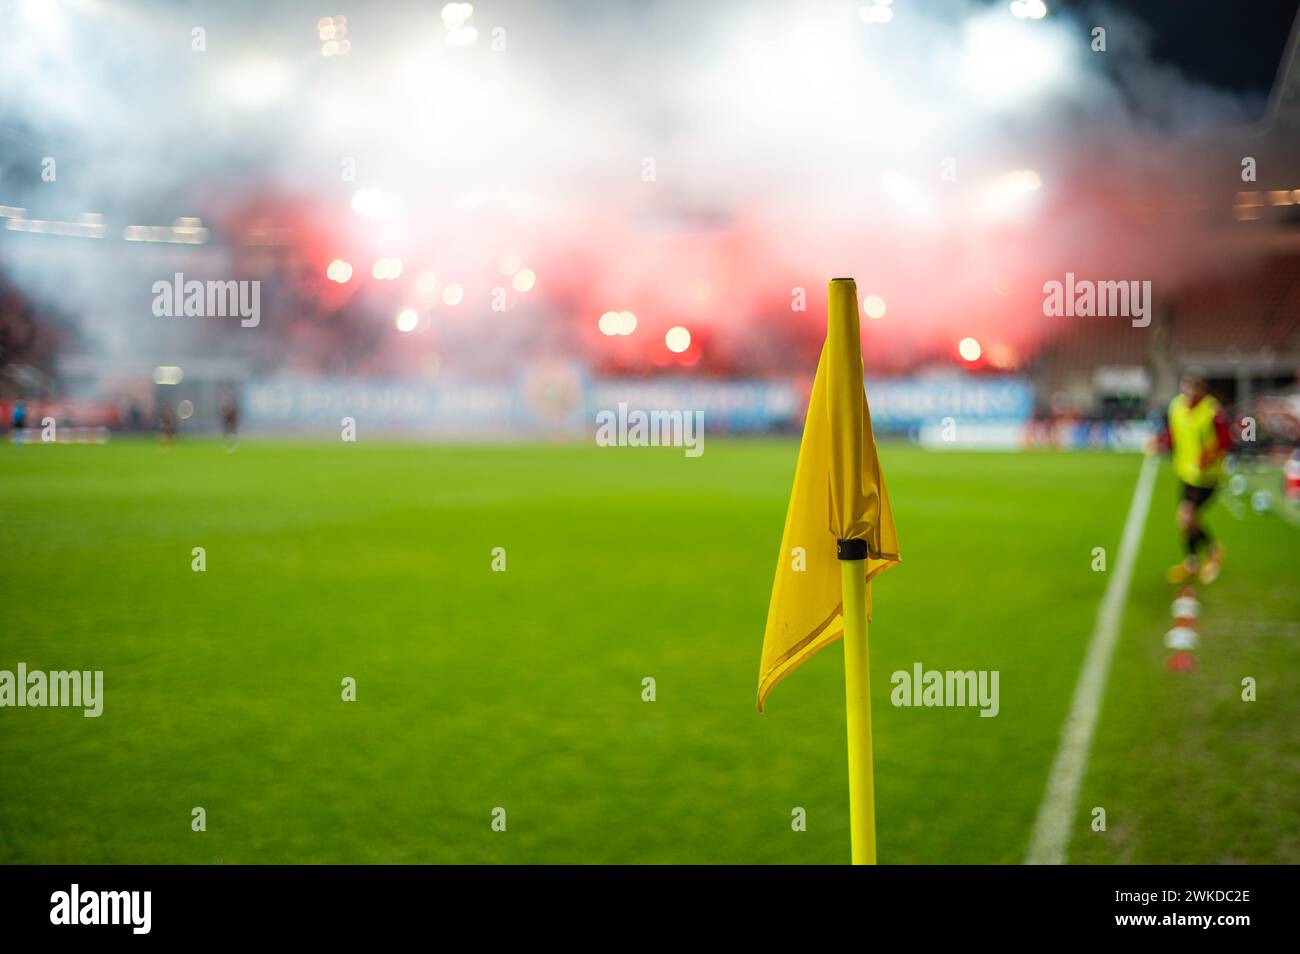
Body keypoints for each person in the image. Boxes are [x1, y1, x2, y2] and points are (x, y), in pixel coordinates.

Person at [1153, 368, 1231, 583]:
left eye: (1193, 386)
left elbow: (1226, 441)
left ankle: (1209, 554)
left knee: (1187, 517)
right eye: (1185, 385)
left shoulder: (1212, 411)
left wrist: (1209, 455)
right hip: (1186, 472)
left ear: (1201, 389)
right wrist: (1162, 442)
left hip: (1207, 476)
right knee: (1186, 520)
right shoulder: (1176, 406)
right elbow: (1173, 432)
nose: (1187, 390)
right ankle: (1195, 561)